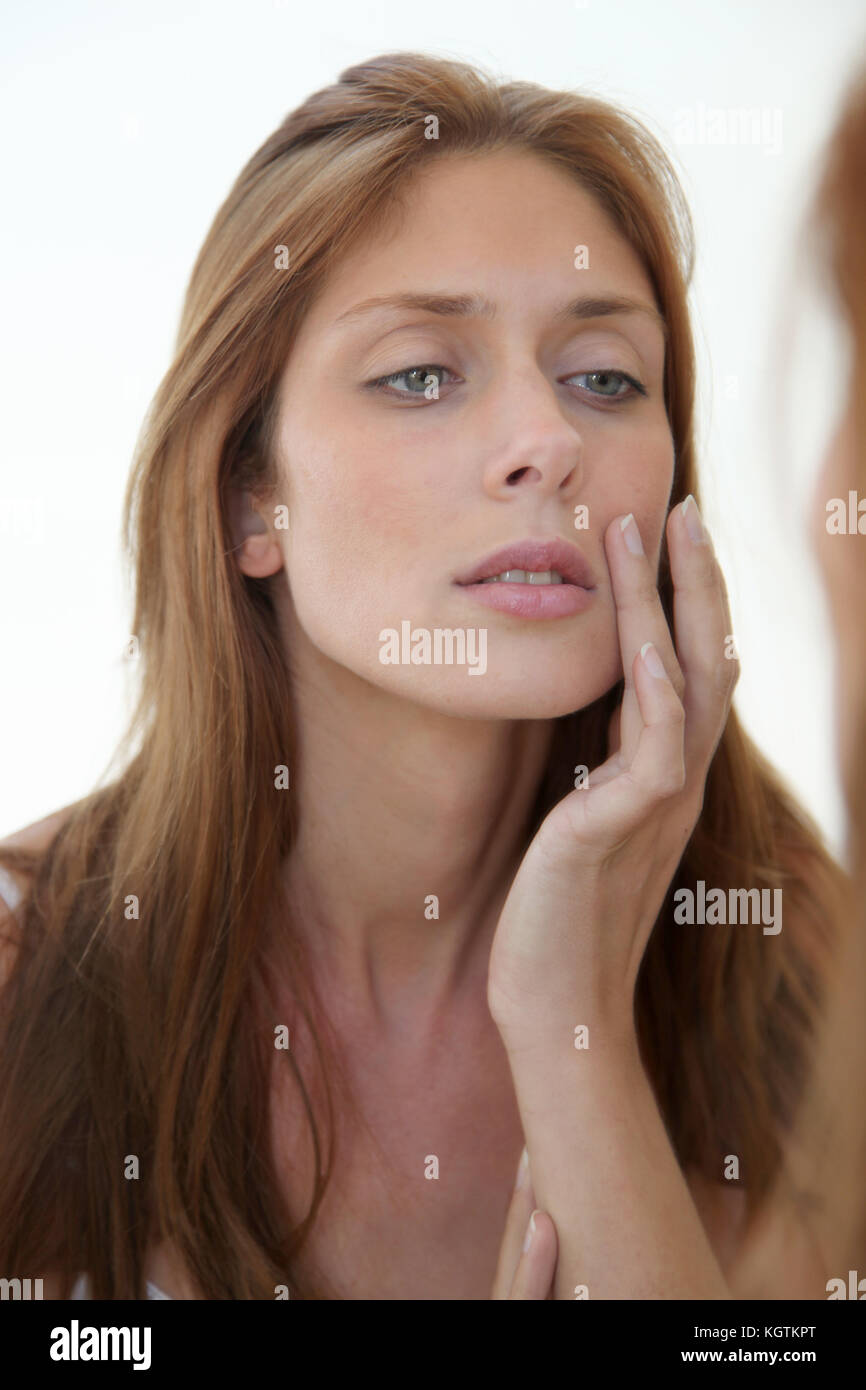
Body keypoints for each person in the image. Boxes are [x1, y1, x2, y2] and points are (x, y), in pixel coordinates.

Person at [0, 51, 845, 1301]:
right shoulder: (27, 976)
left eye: (603, 377)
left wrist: (575, 1029)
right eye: (421, 373)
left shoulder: (810, 984)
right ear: (248, 493)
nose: (547, 443)